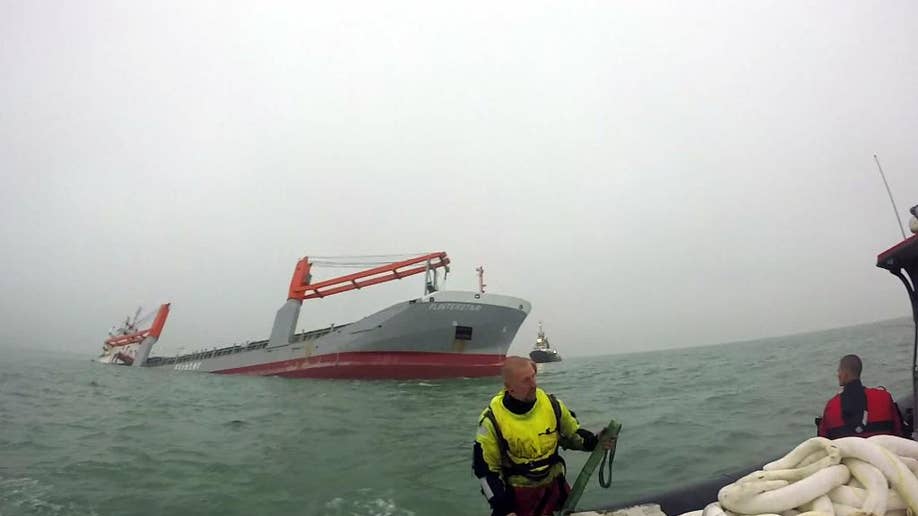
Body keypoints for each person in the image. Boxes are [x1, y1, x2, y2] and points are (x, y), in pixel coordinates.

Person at [473, 356, 612, 516]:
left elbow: (574, 436)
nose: (534, 384)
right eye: (526, 380)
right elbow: (486, 472)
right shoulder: (491, 421)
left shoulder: (552, 405)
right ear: (509, 388)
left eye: (533, 376)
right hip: (517, 500)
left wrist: (596, 440)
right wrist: (504, 509)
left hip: (555, 493)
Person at [817, 354, 903, 439]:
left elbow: (823, 442)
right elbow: (898, 432)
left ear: (845, 374)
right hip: (881, 451)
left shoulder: (831, 406)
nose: (838, 375)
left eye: (839, 371)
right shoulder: (884, 397)